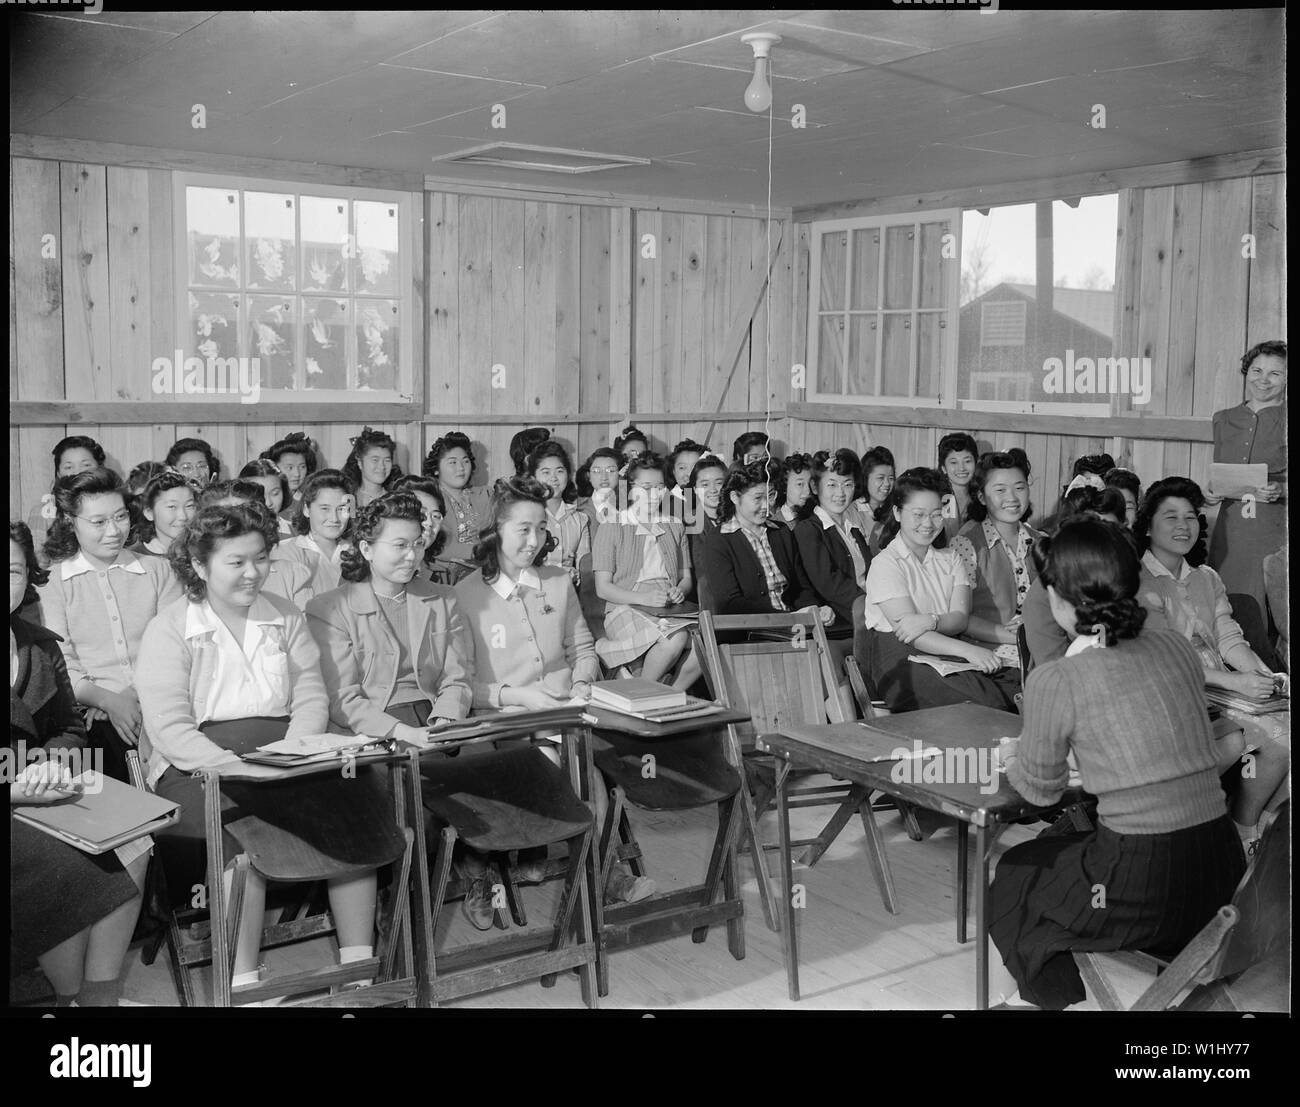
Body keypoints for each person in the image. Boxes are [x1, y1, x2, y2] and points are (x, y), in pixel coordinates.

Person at [136, 501, 406, 1003]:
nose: (252, 573)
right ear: (199, 566)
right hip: (197, 765)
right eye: (235, 562)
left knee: (356, 804)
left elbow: (310, 696)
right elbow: (171, 729)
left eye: (260, 558)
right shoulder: (170, 627)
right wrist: (241, 769)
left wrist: (293, 753)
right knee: (240, 836)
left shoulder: (284, 614)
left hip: (283, 751)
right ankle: (243, 983)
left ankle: (358, 968)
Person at [988, 519, 1245, 1010]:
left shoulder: (1059, 679)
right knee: (1058, 844)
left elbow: (1039, 792)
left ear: (1060, 598)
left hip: (1144, 879)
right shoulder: (1175, 648)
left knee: (1020, 867)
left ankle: (1049, 1001)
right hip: (1220, 866)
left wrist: (1013, 755)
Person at [454, 478, 653, 915]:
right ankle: (482, 875)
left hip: (562, 713)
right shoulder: (466, 596)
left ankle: (602, 876)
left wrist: (581, 683)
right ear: (496, 531)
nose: (534, 540)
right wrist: (518, 696)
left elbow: (582, 648)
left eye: (541, 529)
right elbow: (463, 683)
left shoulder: (558, 581)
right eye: (523, 529)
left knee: (592, 781)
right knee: (501, 772)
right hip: (497, 718)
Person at [10, 521, 149, 1007]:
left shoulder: (38, 644)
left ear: (28, 578)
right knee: (62, 862)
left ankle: (99, 996)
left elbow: (70, 726)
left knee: (135, 839)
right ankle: (67, 997)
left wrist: (51, 760)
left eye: (11, 570)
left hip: (42, 784)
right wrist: (14, 787)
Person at [1135, 477, 1289, 854]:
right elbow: (1165, 658)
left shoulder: (1206, 577)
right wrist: (1239, 685)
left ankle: (1268, 832)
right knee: (1280, 739)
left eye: (1190, 516)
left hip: (1220, 683)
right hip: (1173, 689)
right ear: (1148, 525)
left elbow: (1229, 639)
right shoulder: (1137, 582)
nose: (1183, 526)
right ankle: (1244, 830)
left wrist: (1263, 676)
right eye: (1170, 517)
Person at [38, 468, 182, 782]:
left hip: (160, 702)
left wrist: (128, 698)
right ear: (69, 521)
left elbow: (174, 648)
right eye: (99, 522)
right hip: (90, 714)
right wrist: (106, 700)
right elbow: (62, 662)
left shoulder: (160, 571)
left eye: (120, 517)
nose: (114, 531)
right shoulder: (53, 583)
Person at [306, 493, 471, 745]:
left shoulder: (444, 599)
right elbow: (343, 699)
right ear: (366, 549)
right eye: (400, 545)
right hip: (373, 727)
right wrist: (408, 734)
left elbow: (457, 677)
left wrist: (445, 721)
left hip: (435, 715)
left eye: (417, 544)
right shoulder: (329, 609)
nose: (411, 555)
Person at [858, 467, 1017, 713]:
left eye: (935, 514)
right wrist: (969, 650)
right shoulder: (885, 563)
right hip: (902, 664)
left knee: (1017, 687)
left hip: (946, 654)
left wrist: (930, 621)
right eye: (918, 514)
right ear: (898, 513)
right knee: (986, 703)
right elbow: (911, 633)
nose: (928, 524)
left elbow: (960, 620)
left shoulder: (951, 558)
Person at [1207, 340, 1287, 665]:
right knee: (1227, 608)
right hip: (1231, 533)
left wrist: (1281, 490)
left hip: (1273, 532)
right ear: (1246, 371)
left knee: (1274, 615)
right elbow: (1219, 473)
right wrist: (1210, 491)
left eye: (1275, 373)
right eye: (1256, 370)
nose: (1263, 379)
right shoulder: (1223, 419)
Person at [592, 453, 702, 688]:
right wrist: (644, 598)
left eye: (660, 487)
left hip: (668, 607)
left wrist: (679, 591)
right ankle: (640, 695)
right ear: (631, 489)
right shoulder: (612, 525)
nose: (655, 494)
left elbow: (686, 578)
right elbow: (603, 589)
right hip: (625, 606)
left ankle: (662, 695)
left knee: (706, 645)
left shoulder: (674, 524)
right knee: (675, 639)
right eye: (646, 487)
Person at [950, 452, 1044, 676]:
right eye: (1000, 490)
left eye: (1019, 487)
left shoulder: (1041, 541)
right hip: (989, 657)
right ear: (982, 497)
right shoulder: (966, 543)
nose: (1012, 497)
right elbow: (960, 618)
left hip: (1041, 647)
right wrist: (1018, 637)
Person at [703, 462, 831, 626]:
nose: (766, 506)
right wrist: (788, 618)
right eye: (757, 498)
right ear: (735, 497)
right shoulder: (718, 540)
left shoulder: (781, 532)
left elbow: (801, 587)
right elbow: (730, 604)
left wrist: (815, 609)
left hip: (794, 626)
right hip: (750, 632)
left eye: (770, 496)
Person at [1021, 485, 1135, 668]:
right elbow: (1052, 666)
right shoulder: (1046, 591)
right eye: (1090, 535)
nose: (1100, 546)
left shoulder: (1132, 578)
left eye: (1111, 532)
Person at [792, 449, 871, 679]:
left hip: (868, 612)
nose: (840, 493)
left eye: (847, 484)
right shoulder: (808, 529)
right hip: (843, 620)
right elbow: (829, 583)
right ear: (816, 488)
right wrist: (870, 604)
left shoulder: (853, 529)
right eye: (832, 485)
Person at [195, 480, 314, 609]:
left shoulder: (292, 575)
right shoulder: (192, 578)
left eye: (245, 517)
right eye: (224, 522)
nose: (237, 528)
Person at [26, 436, 109, 569]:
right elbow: (37, 566)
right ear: (58, 473)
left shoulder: (114, 507)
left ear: (100, 467)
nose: (77, 472)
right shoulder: (44, 512)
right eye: (68, 467)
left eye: (86, 465)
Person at [277, 469, 356, 596]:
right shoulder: (285, 552)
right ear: (306, 509)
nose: (334, 518)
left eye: (341, 509)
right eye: (325, 508)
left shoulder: (358, 553)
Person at [423, 432, 490, 583]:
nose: (461, 468)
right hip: (441, 577)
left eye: (465, 461)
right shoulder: (429, 499)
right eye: (452, 462)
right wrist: (478, 550)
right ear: (436, 469)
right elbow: (434, 546)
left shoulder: (485, 495)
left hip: (484, 574)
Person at [527, 440, 590, 593]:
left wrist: (576, 574)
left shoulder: (580, 519)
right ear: (534, 478)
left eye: (559, 471)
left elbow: (584, 563)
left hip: (569, 593)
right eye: (546, 472)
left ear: (568, 476)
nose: (553, 478)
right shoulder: (526, 516)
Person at [685, 453, 728, 611]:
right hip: (702, 604)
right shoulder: (688, 525)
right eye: (705, 484)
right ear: (695, 489)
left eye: (719, 483)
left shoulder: (738, 520)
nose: (713, 490)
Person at [390, 474, 449, 584]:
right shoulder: (377, 569)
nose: (430, 523)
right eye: (422, 513)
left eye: (436, 516)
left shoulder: (443, 576)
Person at [129, 468, 198, 557]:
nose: (183, 516)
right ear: (149, 513)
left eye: (189, 506)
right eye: (172, 507)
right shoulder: (134, 558)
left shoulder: (204, 552)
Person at [260, 431, 318, 520]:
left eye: (302, 467)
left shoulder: (309, 502)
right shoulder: (264, 500)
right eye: (290, 468)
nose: (297, 474)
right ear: (274, 467)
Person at [342, 426, 404, 509]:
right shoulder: (349, 498)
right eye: (375, 460)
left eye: (387, 460)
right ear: (360, 462)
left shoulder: (395, 500)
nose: (382, 466)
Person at [937, 432, 979, 545]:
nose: (961, 468)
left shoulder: (982, 500)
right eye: (954, 462)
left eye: (967, 461)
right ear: (943, 468)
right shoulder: (935, 499)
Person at [854, 446, 895, 554]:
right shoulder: (852, 511)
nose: (887, 484)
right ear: (865, 478)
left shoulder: (895, 510)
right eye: (880, 478)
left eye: (891, 478)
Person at [238, 459, 294, 536]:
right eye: (260, 494)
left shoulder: (296, 534)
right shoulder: (231, 534)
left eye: (275, 493)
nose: (268, 503)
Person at [576, 447, 623, 533]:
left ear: (620, 474)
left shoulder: (630, 509)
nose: (604, 477)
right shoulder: (581, 514)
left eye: (611, 470)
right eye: (597, 471)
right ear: (588, 476)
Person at [773, 452, 813, 528]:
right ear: (784, 486)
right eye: (800, 484)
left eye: (810, 484)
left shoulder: (818, 519)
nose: (808, 491)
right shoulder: (775, 525)